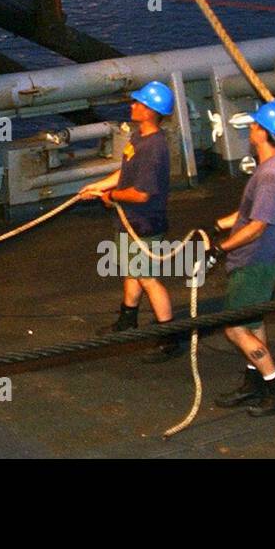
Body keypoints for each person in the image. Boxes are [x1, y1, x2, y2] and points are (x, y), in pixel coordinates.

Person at [75, 80, 183, 362]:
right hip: (131, 223)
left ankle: (169, 337)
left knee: (148, 278)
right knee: (132, 271)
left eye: (138, 103)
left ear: (150, 111)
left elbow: (142, 193)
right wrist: (98, 186)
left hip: (145, 225)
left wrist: (112, 195)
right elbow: (125, 175)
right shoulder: (139, 138)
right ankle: (128, 319)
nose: (132, 105)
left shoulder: (153, 148)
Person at [205, 99, 275, 416]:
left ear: (264, 131)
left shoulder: (271, 177)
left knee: (233, 328)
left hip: (254, 263)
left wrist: (222, 248)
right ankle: (253, 382)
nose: (250, 128)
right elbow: (249, 214)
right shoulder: (273, 167)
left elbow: (258, 226)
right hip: (262, 261)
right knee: (253, 325)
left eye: (255, 124)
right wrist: (219, 224)